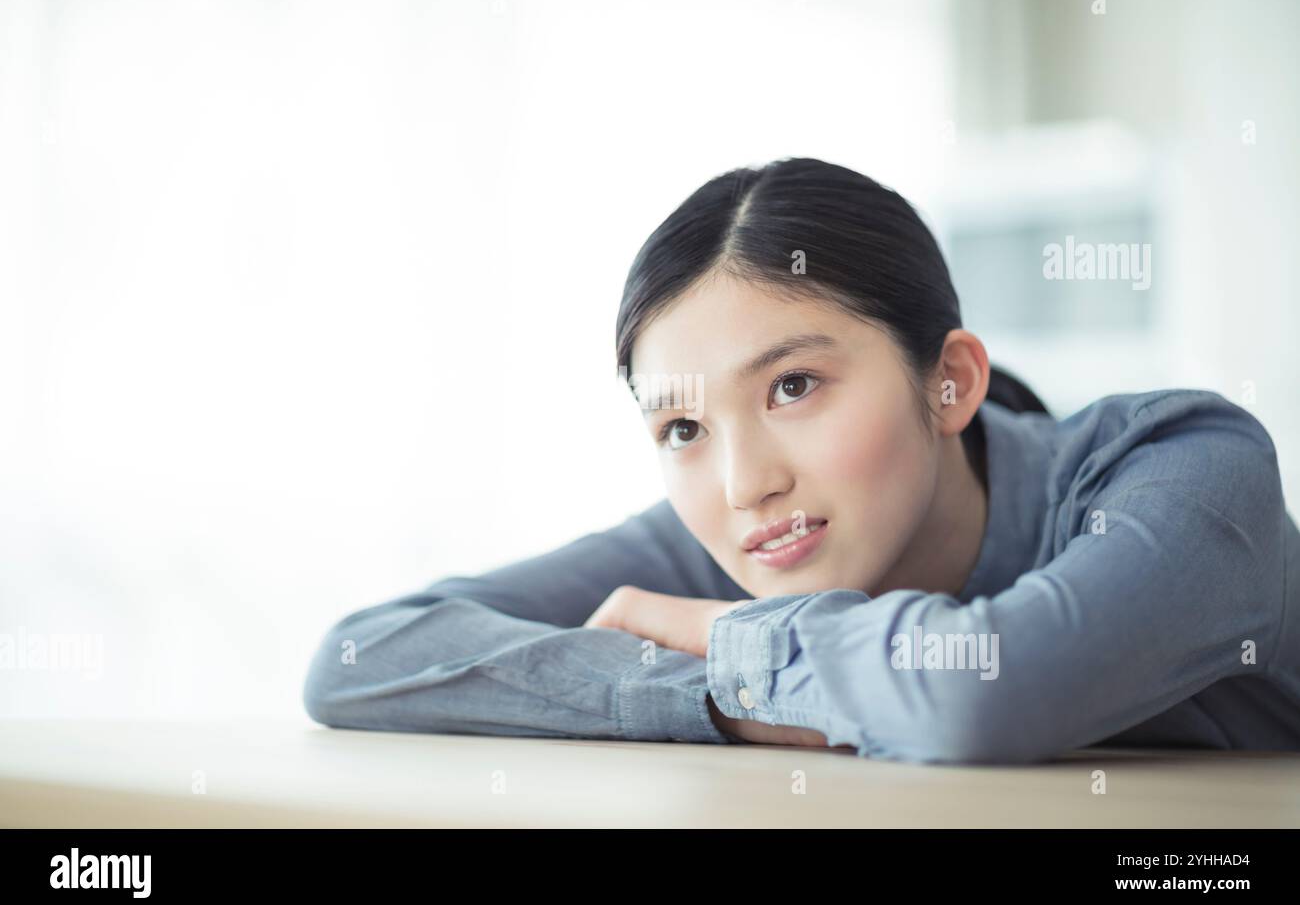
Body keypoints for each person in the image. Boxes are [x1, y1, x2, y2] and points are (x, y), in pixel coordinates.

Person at [302, 157, 1300, 764]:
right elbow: (361, 658)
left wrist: (725, 644)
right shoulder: (759, 534)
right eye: (683, 429)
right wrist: (700, 690)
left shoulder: (1184, 467)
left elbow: (985, 688)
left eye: (792, 386)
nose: (743, 483)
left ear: (949, 379)